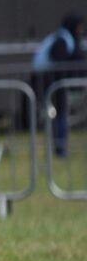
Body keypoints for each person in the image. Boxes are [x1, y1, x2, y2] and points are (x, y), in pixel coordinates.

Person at [33, 12, 85, 158]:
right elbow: (60, 64)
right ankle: (60, 148)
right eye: (79, 26)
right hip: (50, 81)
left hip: (50, 80)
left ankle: (59, 147)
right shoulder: (63, 40)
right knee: (59, 114)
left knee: (57, 114)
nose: (81, 30)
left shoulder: (62, 37)